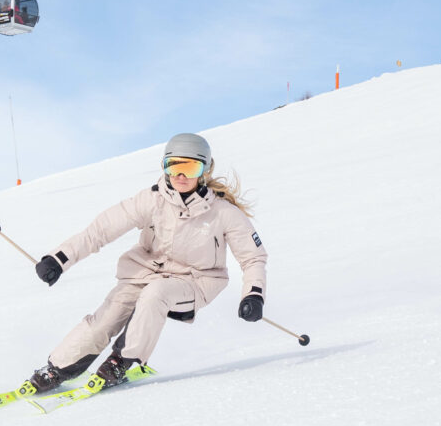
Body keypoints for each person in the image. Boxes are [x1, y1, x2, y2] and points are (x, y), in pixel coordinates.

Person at [18, 132, 268, 401]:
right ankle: (57, 368)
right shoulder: (151, 200)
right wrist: (59, 259)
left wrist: (253, 294)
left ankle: (121, 361)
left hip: (195, 281)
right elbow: (101, 230)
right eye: (174, 166)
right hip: (145, 271)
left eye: (190, 167)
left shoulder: (223, 213)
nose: (180, 175)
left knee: (156, 294)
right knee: (107, 316)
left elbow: (253, 258)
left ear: (204, 170)